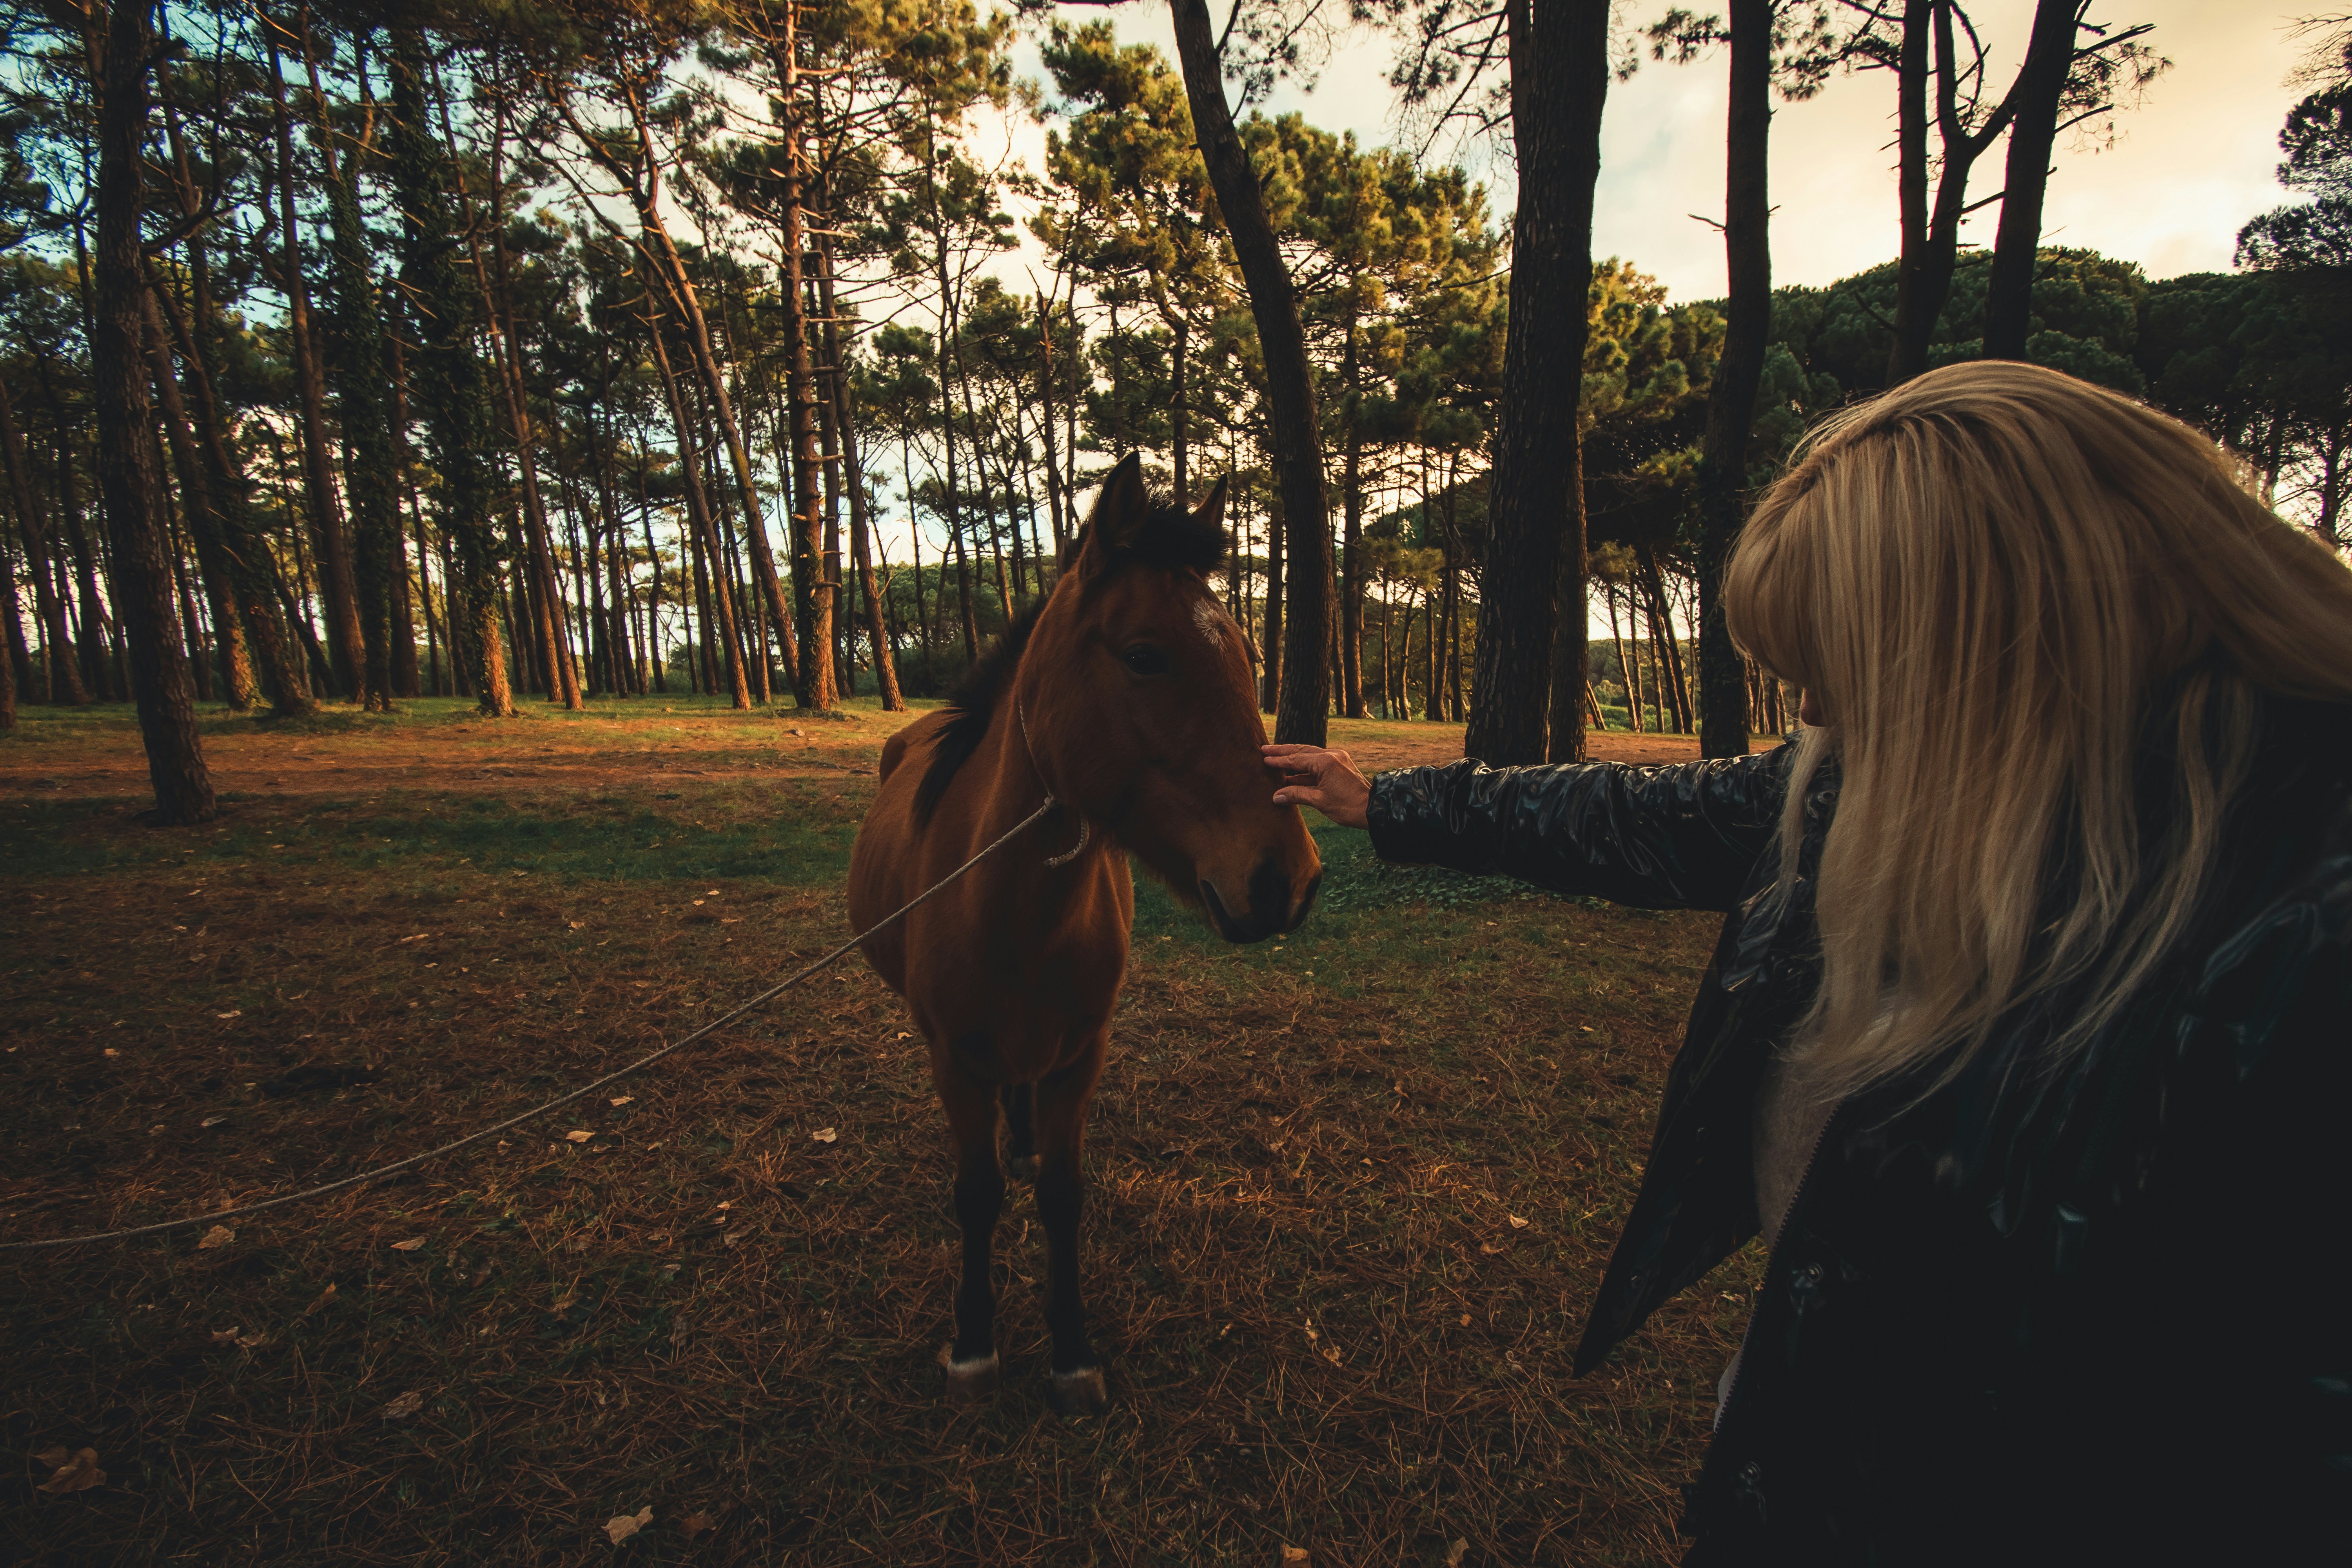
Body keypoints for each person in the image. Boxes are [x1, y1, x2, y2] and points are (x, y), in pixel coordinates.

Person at [1263, 361, 2352, 1565]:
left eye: (1841, 663)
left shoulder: (2300, 934)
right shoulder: (1884, 772)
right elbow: (1645, 818)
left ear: (2002, 640)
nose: (1818, 704)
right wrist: (1394, 805)